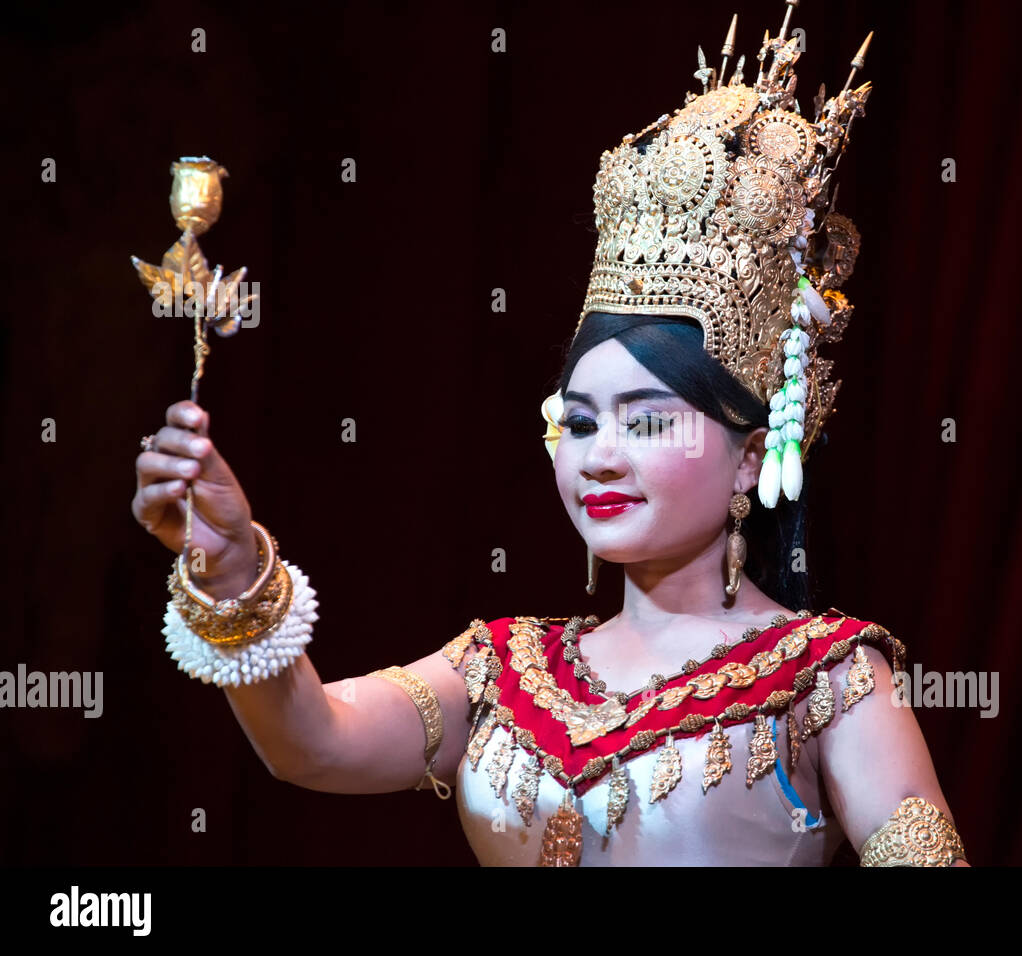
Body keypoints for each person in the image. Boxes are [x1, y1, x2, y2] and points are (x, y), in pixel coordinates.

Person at [131, 5, 967, 867]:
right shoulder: (502, 668)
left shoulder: (828, 680)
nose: (600, 453)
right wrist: (232, 570)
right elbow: (311, 742)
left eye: (646, 420)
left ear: (748, 457)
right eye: (577, 420)